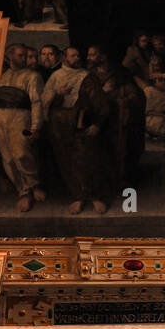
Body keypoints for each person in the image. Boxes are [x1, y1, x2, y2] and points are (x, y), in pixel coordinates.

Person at [43, 47, 114, 214]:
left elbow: (100, 102)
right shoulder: (56, 77)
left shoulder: (87, 77)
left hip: (83, 124)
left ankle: (95, 196)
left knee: (88, 158)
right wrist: (57, 94)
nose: (77, 57)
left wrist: (97, 123)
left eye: (78, 55)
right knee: (67, 161)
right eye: (73, 55)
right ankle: (79, 197)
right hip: (60, 125)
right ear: (64, 57)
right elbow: (44, 100)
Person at [0, 44, 46, 212]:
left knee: (21, 153)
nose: (24, 58)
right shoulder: (1, 77)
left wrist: (35, 126)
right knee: (7, 158)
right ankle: (23, 191)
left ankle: (34, 184)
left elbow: (36, 102)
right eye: (21, 55)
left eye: (25, 55)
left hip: (20, 117)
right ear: (10, 57)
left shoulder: (32, 76)